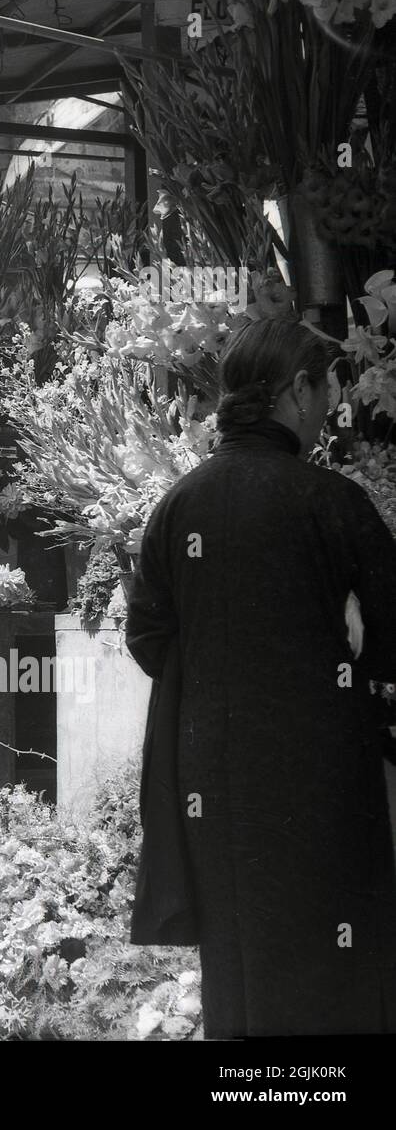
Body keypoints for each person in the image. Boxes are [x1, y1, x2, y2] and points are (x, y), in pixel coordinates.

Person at [126, 318, 396, 1037]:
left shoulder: (179, 505)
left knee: (239, 958)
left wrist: (221, 681)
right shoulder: (334, 503)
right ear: (295, 390)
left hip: (214, 777)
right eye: (325, 387)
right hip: (324, 770)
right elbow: (395, 638)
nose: (327, 408)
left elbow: (149, 635)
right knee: (331, 957)